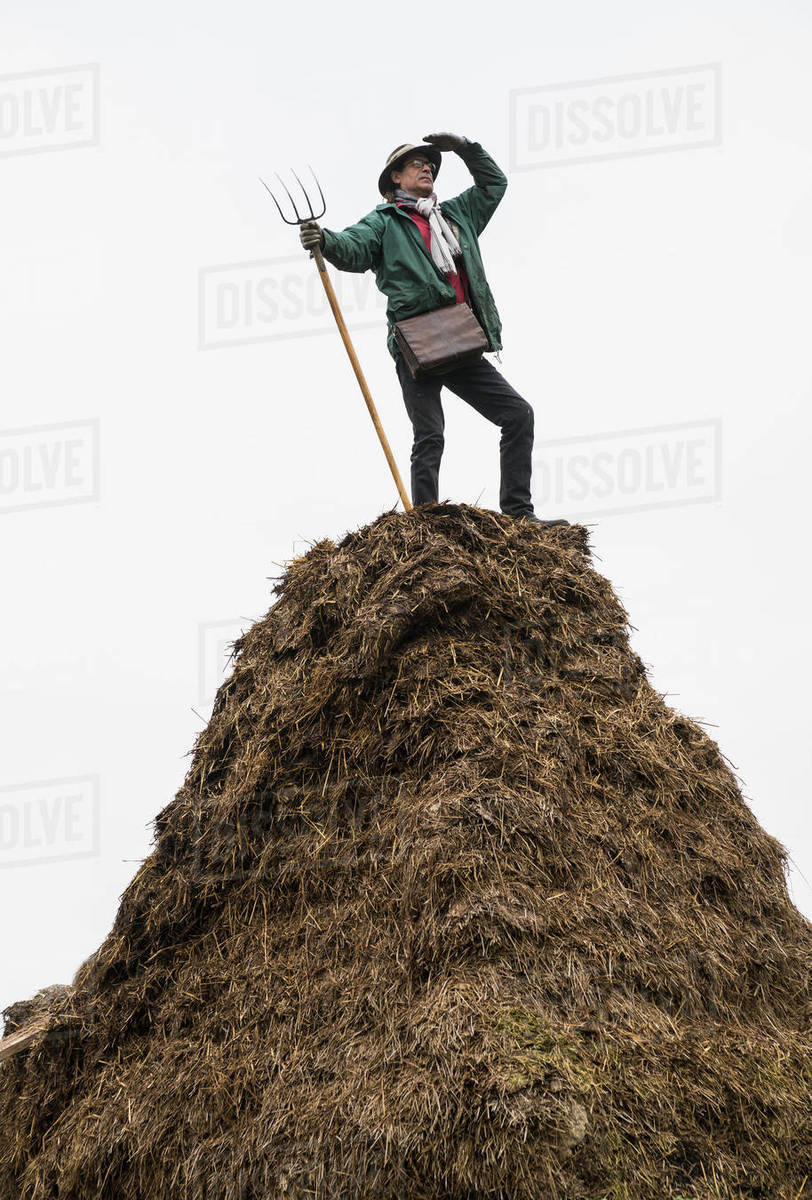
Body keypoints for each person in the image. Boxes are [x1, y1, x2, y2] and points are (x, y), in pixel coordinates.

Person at [299, 132, 566, 526]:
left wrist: (463, 147)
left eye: (431, 165)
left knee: (518, 415)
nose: (427, 168)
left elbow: (495, 184)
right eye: (416, 165)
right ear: (395, 178)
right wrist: (325, 239)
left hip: (459, 336)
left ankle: (519, 514)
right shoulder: (385, 222)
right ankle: (425, 525)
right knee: (430, 436)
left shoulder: (457, 215)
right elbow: (352, 248)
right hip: (416, 344)